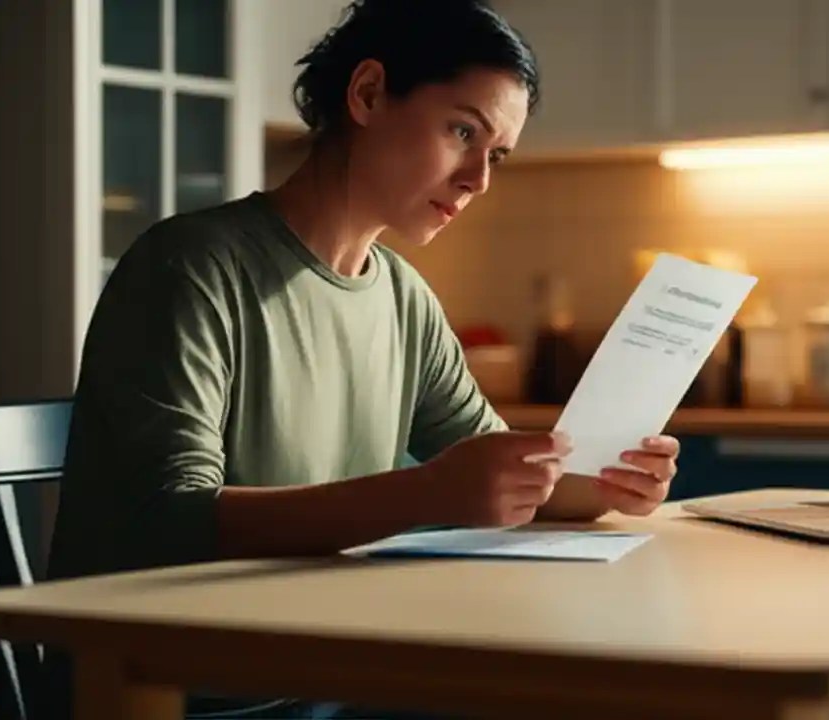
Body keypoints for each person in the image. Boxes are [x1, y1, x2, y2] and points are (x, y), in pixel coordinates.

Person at [44, 1, 679, 717]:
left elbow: (498, 474)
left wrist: (604, 485)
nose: (479, 179)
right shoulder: (189, 267)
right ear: (369, 94)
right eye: (462, 131)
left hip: (319, 677)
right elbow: (166, 525)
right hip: (168, 690)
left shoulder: (404, 298)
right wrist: (427, 494)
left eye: (495, 153)